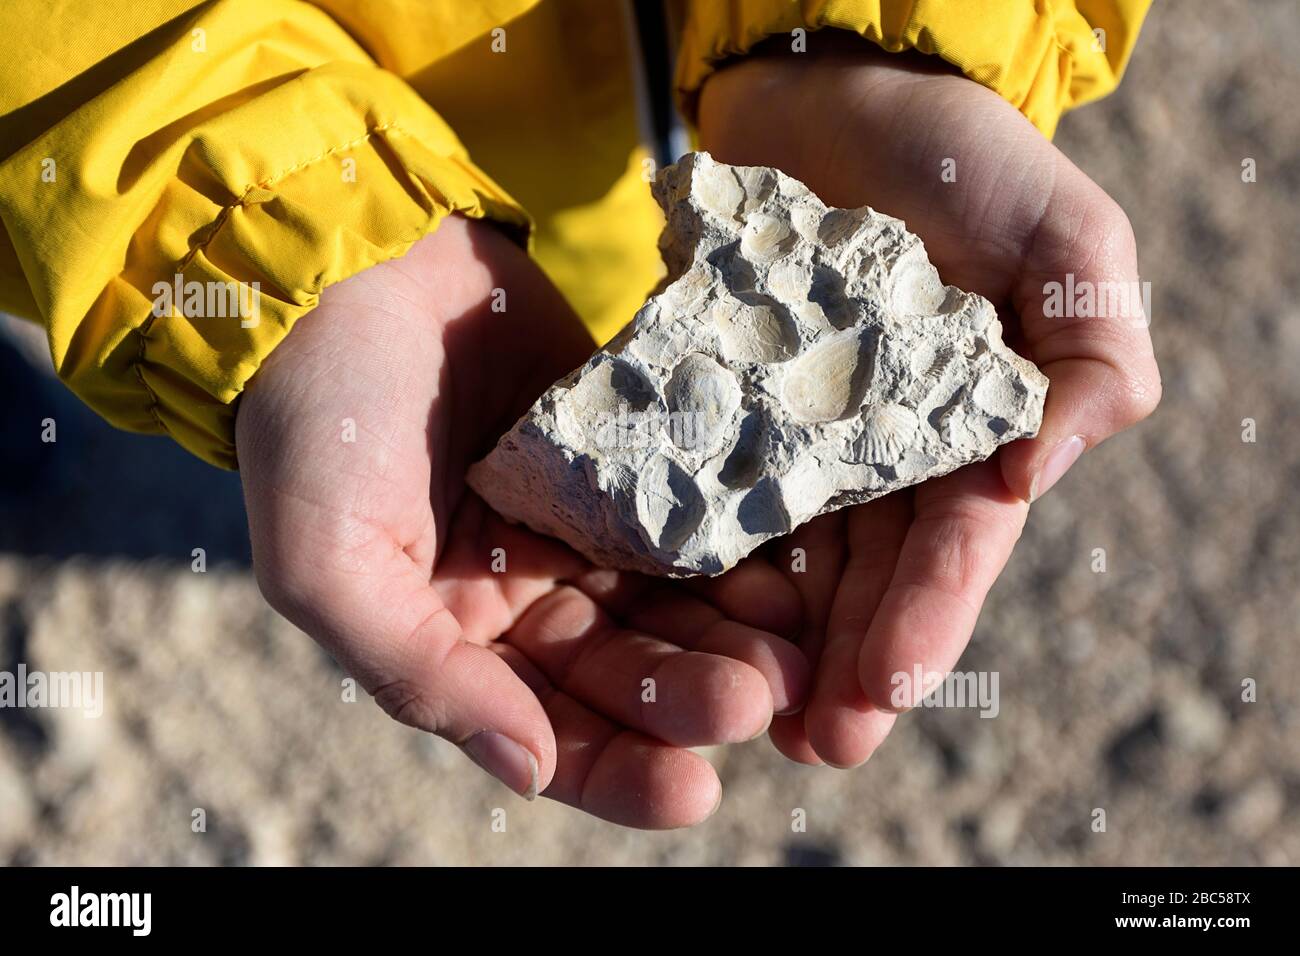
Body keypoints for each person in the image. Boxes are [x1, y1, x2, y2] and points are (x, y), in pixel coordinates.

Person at [0, 1, 1161, 829]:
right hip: (365, 215)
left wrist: (865, 41)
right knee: (372, 451)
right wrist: (248, 231)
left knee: (451, 449)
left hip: (593, 262)